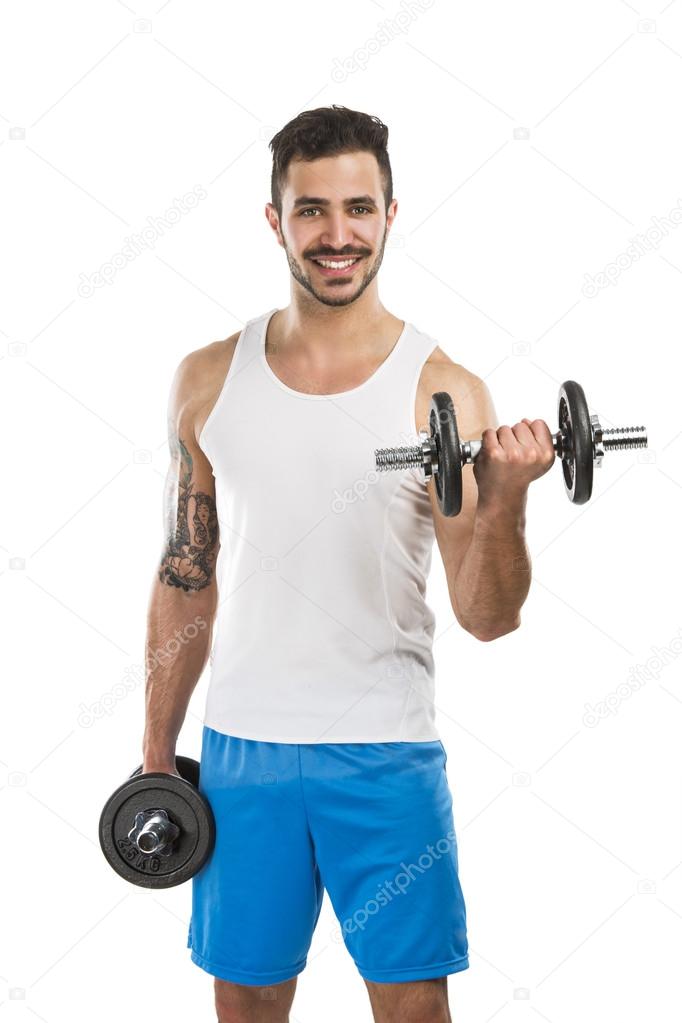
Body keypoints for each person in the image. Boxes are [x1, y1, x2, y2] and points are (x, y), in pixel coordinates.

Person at [142, 104, 555, 1023]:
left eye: (359, 209)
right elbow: (185, 575)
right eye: (312, 210)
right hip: (241, 752)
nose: (338, 236)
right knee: (247, 997)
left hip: (385, 752)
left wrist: (510, 496)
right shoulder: (208, 377)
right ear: (275, 219)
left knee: (410, 1003)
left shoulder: (444, 390)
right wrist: (153, 748)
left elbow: (487, 614)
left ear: (391, 214)